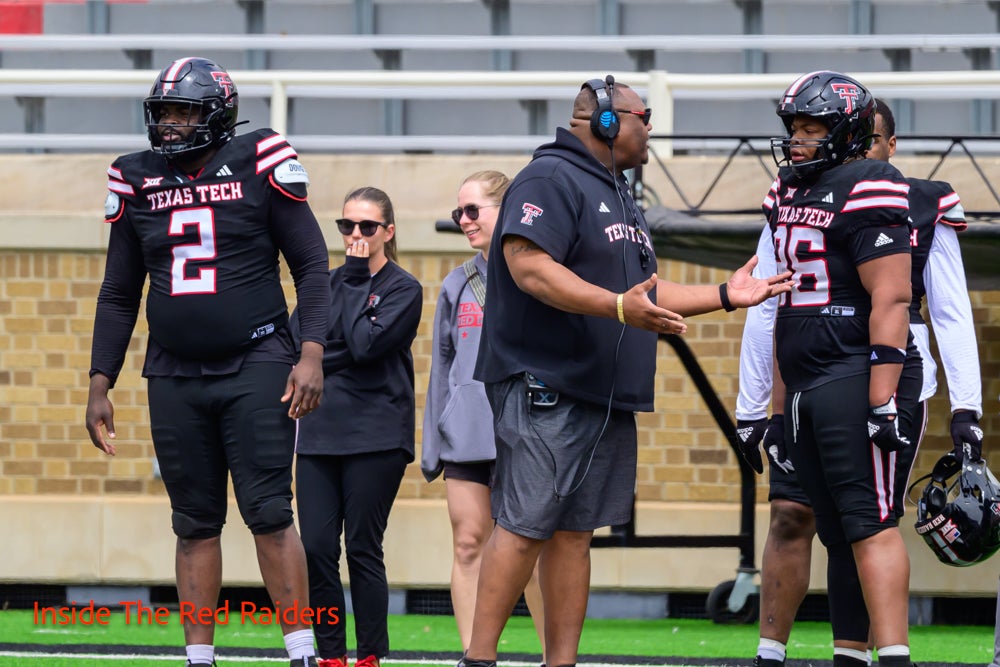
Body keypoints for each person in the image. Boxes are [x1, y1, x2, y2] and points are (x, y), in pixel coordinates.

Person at [461, 76, 791, 667]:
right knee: (525, 524)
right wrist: (615, 307)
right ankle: (478, 660)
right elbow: (528, 265)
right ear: (608, 123)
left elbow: (643, 290)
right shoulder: (550, 177)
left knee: (575, 533)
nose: (651, 129)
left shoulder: (617, 191)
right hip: (546, 385)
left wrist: (724, 293)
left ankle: (560, 663)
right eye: (644, 116)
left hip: (601, 392)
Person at [85, 57, 328, 667]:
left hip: (257, 359)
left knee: (269, 511)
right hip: (172, 370)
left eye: (182, 112)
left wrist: (312, 352)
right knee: (193, 521)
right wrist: (99, 383)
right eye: (162, 113)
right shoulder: (133, 177)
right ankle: (198, 659)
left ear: (217, 114)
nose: (169, 125)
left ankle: (300, 651)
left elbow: (311, 265)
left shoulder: (260, 158)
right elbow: (119, 292)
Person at [736, 94, 987, 667]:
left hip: (879, 373)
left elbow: (939, 310)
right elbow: (767, 305)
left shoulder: (907, 195)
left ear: (885, 145)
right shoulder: (792, 193)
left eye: (816, 131)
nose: (803, 143)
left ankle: (868, 654)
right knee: (797, 513)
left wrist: (965, 409)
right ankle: (773, 654)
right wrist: (754, 407)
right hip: (807, 378)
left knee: (866, 521)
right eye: (797, 131)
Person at [292, 186, 423, 667]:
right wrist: (322, 351)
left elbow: (367, 346)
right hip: (320, 433)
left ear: (388, 232)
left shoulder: (404, 288)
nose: (356, 235)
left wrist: (325, 355)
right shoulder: (322, 284)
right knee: (318, 548)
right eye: (347, 226)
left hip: (377, 434)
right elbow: (296, 343)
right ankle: (331, 656)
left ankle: (369, 655)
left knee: (363, 547)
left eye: (368, 227)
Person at [421, 171, 546, 657]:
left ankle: (552, 654)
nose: (464, 221)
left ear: (507, 208)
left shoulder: (541, 274)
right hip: (468, 436)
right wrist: (434, 444)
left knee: (531, 553)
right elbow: (441, 368)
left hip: (531, 432)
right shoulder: (457, 283)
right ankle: (476, 655)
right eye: (459, 214)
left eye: (473, 210)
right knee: (469, 543)